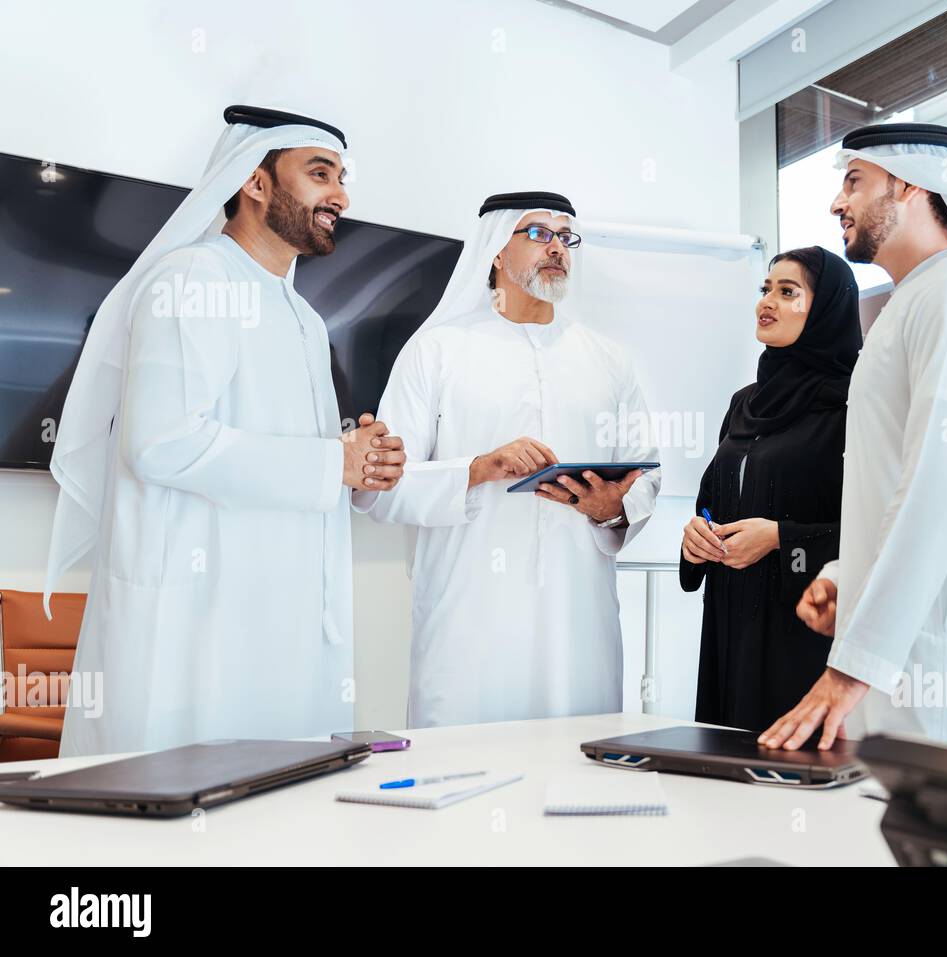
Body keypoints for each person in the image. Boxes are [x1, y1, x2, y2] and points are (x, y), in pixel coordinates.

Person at [44, 105, 405, 756]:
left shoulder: (304, 317)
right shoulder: (190, 280)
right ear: (255, 182)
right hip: (196, 632)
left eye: (342, 177)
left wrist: (363, 466)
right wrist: (333, 464)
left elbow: (316, 465)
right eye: (320, 173)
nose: (341, 195)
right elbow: (163, 442)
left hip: (284, 625)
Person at [759, 122, 947, 750]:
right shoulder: (916, 302)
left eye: (853, 182)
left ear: (905, 185)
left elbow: (944, 483)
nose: (836, 204)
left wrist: (853, 665)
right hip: (911, 647)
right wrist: (851, 576)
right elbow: (901, 481)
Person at [355, 191, 661, 727]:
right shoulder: (437, 351)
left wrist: (611, 507)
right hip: (470, 622)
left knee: (575, 781)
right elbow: (380, 487)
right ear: (497, 250)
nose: (557, 248)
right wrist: (477, 469)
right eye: (539, 234)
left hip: (577, 623)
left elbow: (643, 472)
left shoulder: (609, 360)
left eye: (566, 237)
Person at [681, 246, 861, 733]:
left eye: (788, 292)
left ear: (826, 309)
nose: (768, 301)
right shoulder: (745, 403)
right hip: (729, 623)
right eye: (765, 289)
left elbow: (874, 528)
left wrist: (781, 538)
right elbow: (712, 497)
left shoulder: (854, 405)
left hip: (802, 628)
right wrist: (696, 535)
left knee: (789, 779)